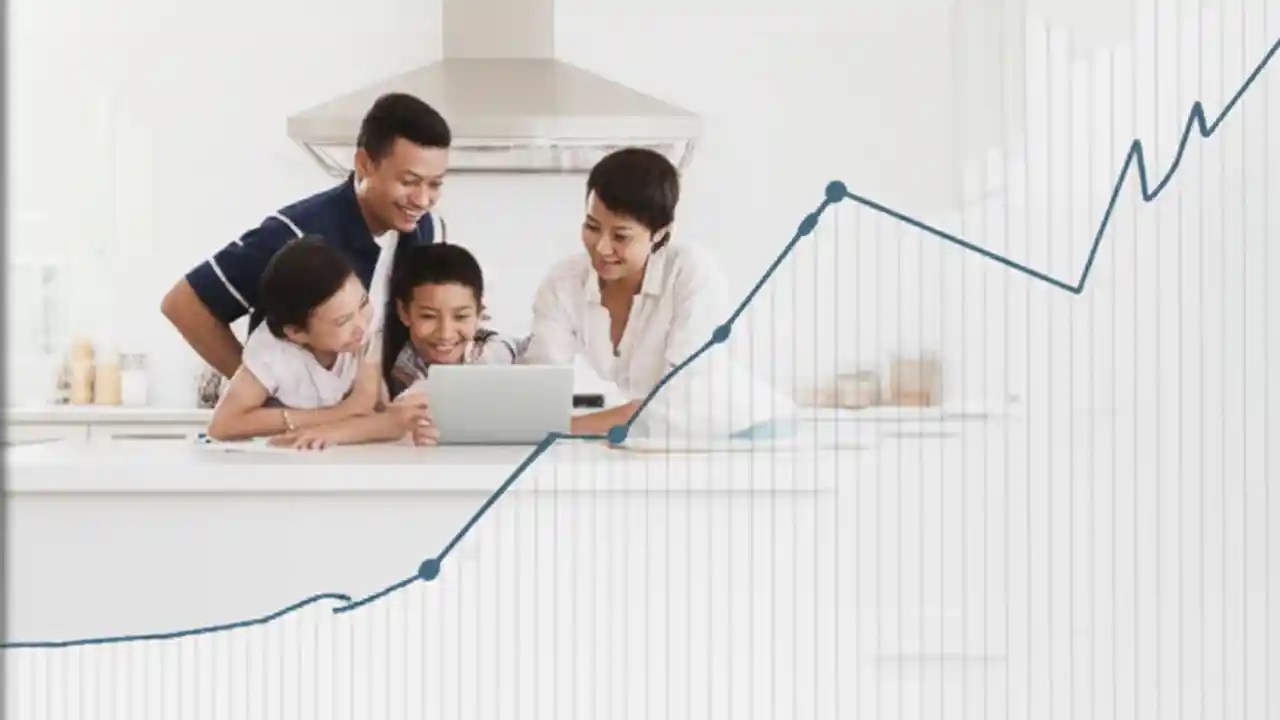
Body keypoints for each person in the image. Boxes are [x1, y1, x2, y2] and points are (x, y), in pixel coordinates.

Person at [161, 92, 451, 380]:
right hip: (295, 410)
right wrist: (257, 390)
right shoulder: (295, 233)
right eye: (409, 181)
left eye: (435, 184)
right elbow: (185, 305)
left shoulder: (426, 231)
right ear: (364, 164)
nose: (423, 200)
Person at [520, 147, 792, 438]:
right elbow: (542, 379)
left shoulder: (691, 272)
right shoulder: (564, 282)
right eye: (592, 226)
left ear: (660, 233)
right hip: (665, 434)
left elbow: (679, 394)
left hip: (749, 428)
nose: (601, 247)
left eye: (620, 236)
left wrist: (567, 427)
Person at [205, 237, 434, 449]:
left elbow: (370, 407)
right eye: (342, 320)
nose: (361, 325)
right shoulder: (274, 354)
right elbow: (223, 425)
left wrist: (332, 429)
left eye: (363, 303)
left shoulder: (362, 329)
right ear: (297, 333)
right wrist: (339, 414)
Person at [385, 243, 526, 397]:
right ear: (404, 312)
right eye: (428, 316)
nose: (445, 334)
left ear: (479, 313)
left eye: (460, 317)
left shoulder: (498, 352)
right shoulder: (402, 371)